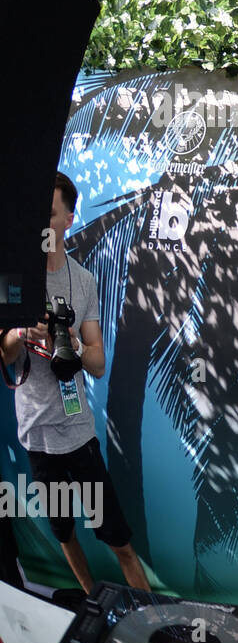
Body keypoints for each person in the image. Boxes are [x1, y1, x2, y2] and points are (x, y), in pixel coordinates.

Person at [0, 172, 150, 593]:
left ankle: (149, 620)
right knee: (65, 533)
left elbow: (98, 363)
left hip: (78, 435)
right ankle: (90, 603)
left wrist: (67, 345)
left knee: (119, 541)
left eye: (49, 213)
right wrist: (19, 334)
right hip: (37, 438)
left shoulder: (83, 280)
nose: (41, 222)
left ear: (68, 217)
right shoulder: (16, 279)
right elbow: (5, 355)